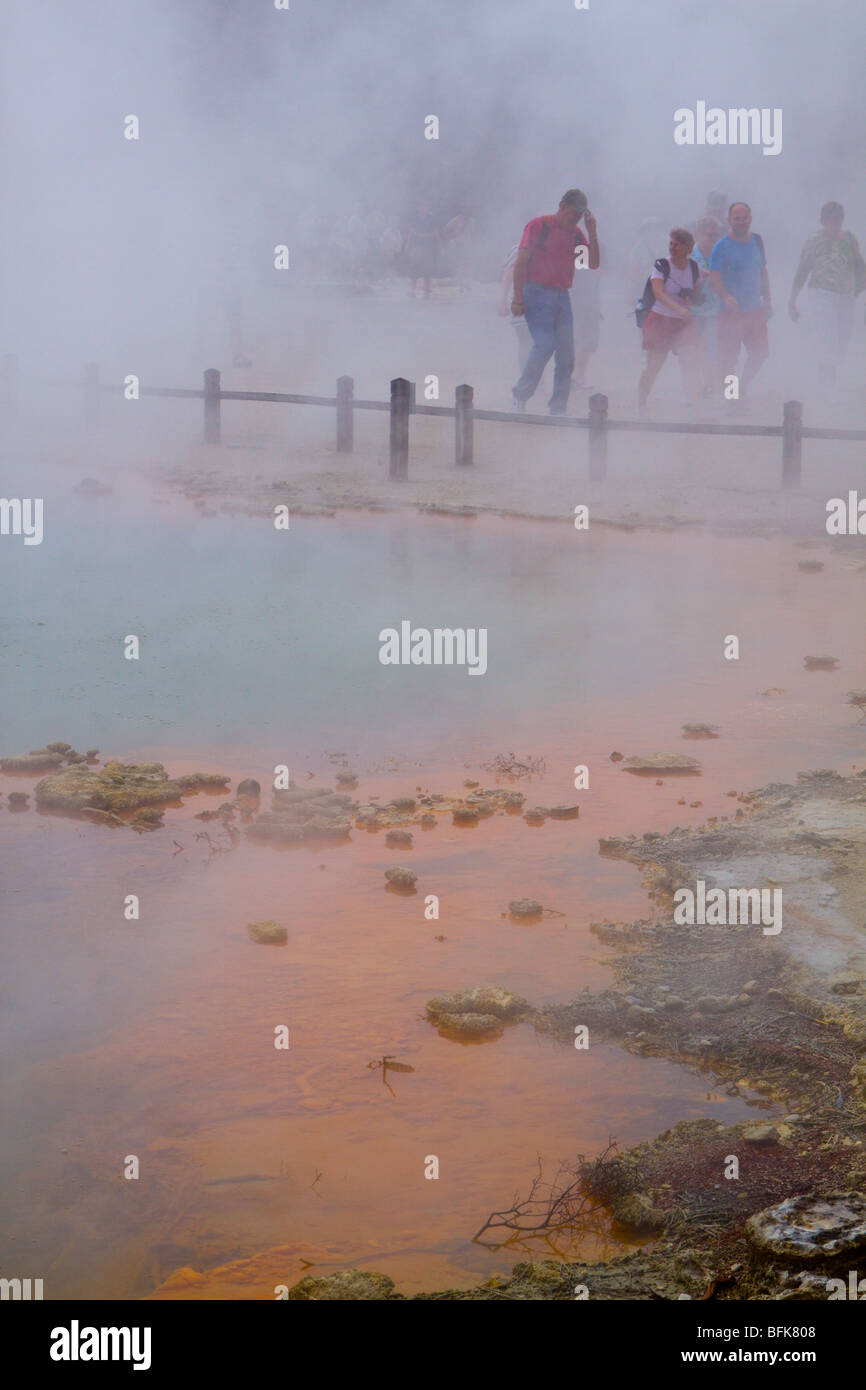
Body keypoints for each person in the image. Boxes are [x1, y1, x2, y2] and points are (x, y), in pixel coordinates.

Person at [510, 188, 600, 414]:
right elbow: (520, 262)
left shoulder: (576, 234)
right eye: (574, 213)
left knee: (567, 354)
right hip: (536, 291)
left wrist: (592, 233)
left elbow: (592, 264)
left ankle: (558, 407)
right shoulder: (539, 226)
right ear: (562, 206)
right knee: (544, 344)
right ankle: (520, 395)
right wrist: (517, 298)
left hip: (561, 295)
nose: (577, 218)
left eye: (581, 215)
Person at [788, 202, 866, 385]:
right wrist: (792, 299)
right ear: (823, 221)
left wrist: (860, 289)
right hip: (821, 293)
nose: (834, 224)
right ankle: (827, 385)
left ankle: (827, 372)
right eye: (830, 220)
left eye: (838, 220)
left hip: (845, 295)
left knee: (842, 340)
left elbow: (859, 265)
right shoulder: (814, 241)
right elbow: (803, 269)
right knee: (828, 336)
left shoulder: (849, 240)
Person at [709, 202, 771, 400]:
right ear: (729, 221)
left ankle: (742, 386)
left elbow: (763, 271)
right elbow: (715, 278)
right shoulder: (721, 247)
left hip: (754, 309)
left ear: (750, 219)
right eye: (737, 218)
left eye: (744, 218)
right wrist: (726, 296)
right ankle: (731, 398)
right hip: (730, 312)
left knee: (760, 353)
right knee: (727, 360)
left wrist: (768, 299)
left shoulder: (757, 241)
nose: (741, 222)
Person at [637, 227, 703, 415]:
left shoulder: (694, 268)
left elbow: (697, 293)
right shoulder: (661, 266)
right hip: (660, 319)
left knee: (690, 361)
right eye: (671, 244)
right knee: (654, 365)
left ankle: (692, 403)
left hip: (683, 323)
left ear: (688, 248)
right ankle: (641, 404)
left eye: (677, 245)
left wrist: (693, 299)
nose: (672, 248)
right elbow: (658, 292)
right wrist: (679, 309)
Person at [690, 216, 723, 396]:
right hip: (693, 311)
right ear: (699, 235)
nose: (714, 239)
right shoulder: (689, 256)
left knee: (712, 348)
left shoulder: (721, 254)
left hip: (715, 310)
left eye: (717, 235)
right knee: (693, 349)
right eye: (710, 235)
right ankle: (693, 387)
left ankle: (711, 385)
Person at [499, 244, 532, 371]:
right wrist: (503, 300)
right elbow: (508, 274)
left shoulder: (553, 245)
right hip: (522, 306)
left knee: (540, 346)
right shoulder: (519, 248)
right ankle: (532, 382)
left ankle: (537, 382)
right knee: (526, 343)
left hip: (545, 306)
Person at [405, 201, 440, 298]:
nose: (424, 208)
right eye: (422, 206)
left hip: (427, 248)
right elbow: (411, 233)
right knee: (414, 269)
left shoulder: (432, 219)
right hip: (416, 247)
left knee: (427, 270)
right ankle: (412, 291)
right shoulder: (415, 219)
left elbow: (436, 233)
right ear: (419, 208)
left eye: (426, 206)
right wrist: (408, 244)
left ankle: (426, 291)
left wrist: (439, 245)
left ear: (428, 208)